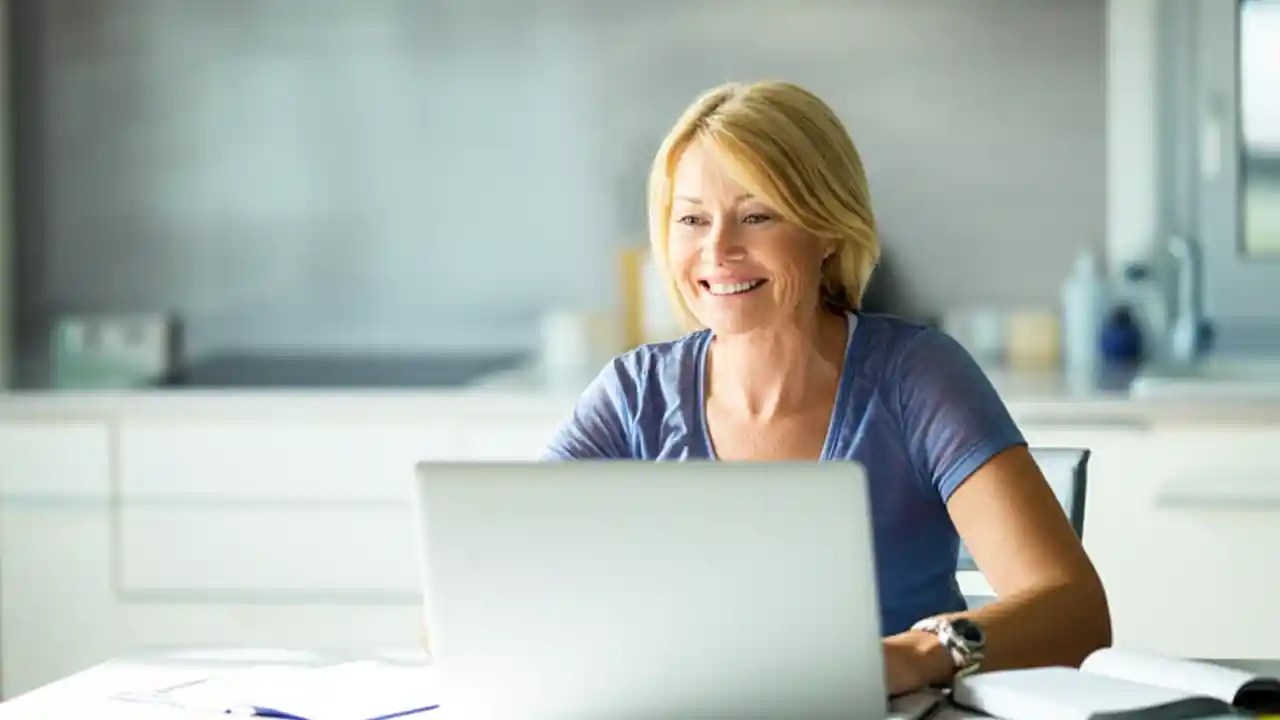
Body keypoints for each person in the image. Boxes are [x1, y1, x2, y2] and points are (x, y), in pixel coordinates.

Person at [544, 80, 1110, 696]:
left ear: (829, 229)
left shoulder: (916, 378)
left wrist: (915, 656)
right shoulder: (632, 397)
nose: (718, 250)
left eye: (757, 216)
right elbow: (489, 597)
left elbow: (1074, 613)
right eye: (692, 219)